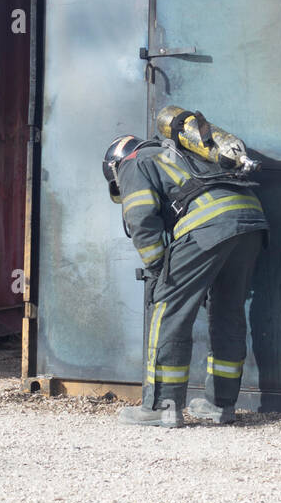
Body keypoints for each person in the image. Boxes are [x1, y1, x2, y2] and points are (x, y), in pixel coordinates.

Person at [102, 128, 268, 427]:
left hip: (209, 222)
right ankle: (221, 405)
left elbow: (140, 217)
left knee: (169, 310)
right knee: (228, 312)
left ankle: (162, 406)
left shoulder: (134, 162)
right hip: (250, 219)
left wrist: (156, 269)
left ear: (115, 164)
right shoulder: (182, 153)